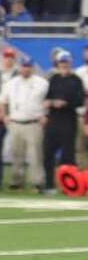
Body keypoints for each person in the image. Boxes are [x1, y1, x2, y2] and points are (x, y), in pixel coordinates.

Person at [0, 55, 47, 191]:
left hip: (34, 123)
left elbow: (49, 99)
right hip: (15, 123)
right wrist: (4, 116)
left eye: (28, 66)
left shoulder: (42, 83)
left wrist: (46, 115)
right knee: (16, 154)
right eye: (24, 66)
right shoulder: (11, 83)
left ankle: (38, 182)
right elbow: (1, 100)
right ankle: (17, 182)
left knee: (35, 155)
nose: (26, 69)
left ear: (33, 68)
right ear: (19, 67)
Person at [42, 49, 85, 194]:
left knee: (68, 155)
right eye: (62, 62)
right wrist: (48, 103)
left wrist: (65, 103)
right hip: (53, 120)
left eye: (66, 62)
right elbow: (47, 97)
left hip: (68, 120)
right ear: (57, 63)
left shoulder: (76, 80)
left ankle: (68, 186)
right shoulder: (54, 79)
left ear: (70, 62)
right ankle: (49, 185)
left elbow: (80, 101)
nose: (64, 64)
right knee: (48, 152)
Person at [0, 47, 20, 189]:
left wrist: (11, 114)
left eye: (11, 57)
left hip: (15, 118)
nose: (8, 60)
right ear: (3, 59)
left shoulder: (19, 76)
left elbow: (21, 98)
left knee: (17, 149)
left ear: (14, 60)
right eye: (6, 57)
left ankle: (17, 181)